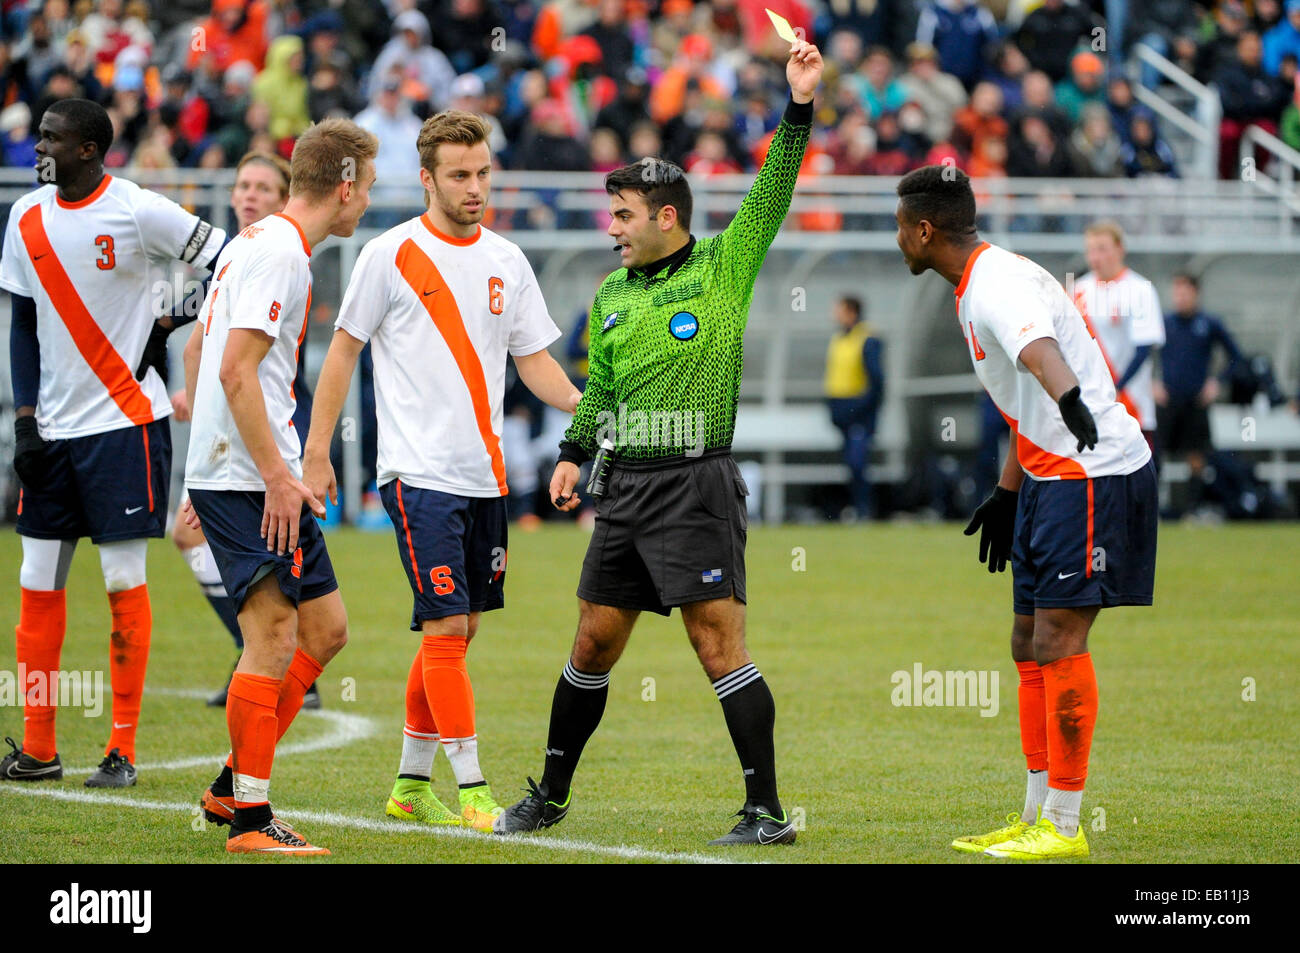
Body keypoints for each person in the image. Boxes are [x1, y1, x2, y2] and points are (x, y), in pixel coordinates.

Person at [492, 37, 824, 847]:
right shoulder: (610, 292)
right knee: (591, 643)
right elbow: (599, 387)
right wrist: (573, 452)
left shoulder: (723, 265)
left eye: (622, 215)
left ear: (665, 216)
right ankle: (551, 796)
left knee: (718, 646)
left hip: (696, 483)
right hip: (625, 490)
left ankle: (767, 811)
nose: (612, 228)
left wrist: (800, 104)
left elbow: (773, 190)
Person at [303, 110, 580, 832]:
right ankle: (476, 791)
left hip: (484, 476)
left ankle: (408, 785)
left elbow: (533, 361)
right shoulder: (387, 254)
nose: (476, 187)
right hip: (415, 473)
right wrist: (316, 450)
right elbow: (342, 352)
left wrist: (584, 406)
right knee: (449, 626)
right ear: (426, 178)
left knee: (452, 635)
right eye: (460, 175)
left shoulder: (507, 260)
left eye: (483, 172)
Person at [895, 165, 1157, 860]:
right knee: (1025, 643)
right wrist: (1009, 490)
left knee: (1059, 641)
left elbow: (1040, 355)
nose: (899, 239)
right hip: (1045, 475)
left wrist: (1070, 396)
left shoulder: (996, 284)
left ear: (924, 229)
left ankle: (1065, 828)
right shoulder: (977, 282)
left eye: (901, 227)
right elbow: (1027, 398)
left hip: (1091, 471)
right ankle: (1036, 810)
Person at [0, 98, 226, 786]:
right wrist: (25, 421)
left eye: (51, 138)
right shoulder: (25, 216)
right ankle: (38, 749)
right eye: (39, 135)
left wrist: (168, 324)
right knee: (36, 582)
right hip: (54, 434)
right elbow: (22, 322)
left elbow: (226, 258)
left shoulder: (137, 208)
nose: (38, 148)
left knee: (121, 580)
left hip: (127, 424)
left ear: (90, 149)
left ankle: (121, 750)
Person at [183, 117, 377, 855]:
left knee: (325, 630)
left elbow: (208, 353)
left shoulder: (262, 243)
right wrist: (266, 477)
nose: (366, 204)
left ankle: (233, 785)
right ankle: (252, 822)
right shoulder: (281, 256)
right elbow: (233, 370)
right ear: (346, 184)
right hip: (251, 476)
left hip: (247, 470)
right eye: (367, 186)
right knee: (270, 635)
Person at [170, 151, 321, 710]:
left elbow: (227, 364)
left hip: (258, 439)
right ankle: (263, 655)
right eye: (243, 185)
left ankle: (262, 658)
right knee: (310, 625)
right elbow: (202, 353)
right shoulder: (247, 252)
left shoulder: (267, 253)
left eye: (263, 186)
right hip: (232, 444)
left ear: (286, 198)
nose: (249, 195)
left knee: (295, 621)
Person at [1072, 221, 1165, 457]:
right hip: (1089, 406)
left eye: (1102, 249)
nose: (1095, 256)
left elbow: (1144, 348)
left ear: (1120, 249)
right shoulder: (1077, 290)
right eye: (1091, 249)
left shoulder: (1139, 289)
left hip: (1130, 404)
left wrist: (1116, 388)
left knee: (1137, 482)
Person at [1155, 272, 1243, 516]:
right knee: (1157, 453)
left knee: (1196, 456)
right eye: (1176, 292)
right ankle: (1155, 511)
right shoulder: (1164, 322)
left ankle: (1191, 511)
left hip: (1196, 401)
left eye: (1185, 292)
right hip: (1168, 400)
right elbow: (1142, 352)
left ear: (1196, 293)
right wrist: (1153, 383)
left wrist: (1217, 383)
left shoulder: (1209, 323)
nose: (1180, 298)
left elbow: (1236, 356)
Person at [823, 295, 884, 520]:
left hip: (859, 412)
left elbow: (877, 382)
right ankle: (858, 509)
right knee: (850, 462)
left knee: (858, 462)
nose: (834, 314)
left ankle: (864, 510)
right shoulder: (839, 339)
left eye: (838, 309)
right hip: (842, 412)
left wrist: (862, 411)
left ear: (851, 311)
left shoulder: (868, 339)